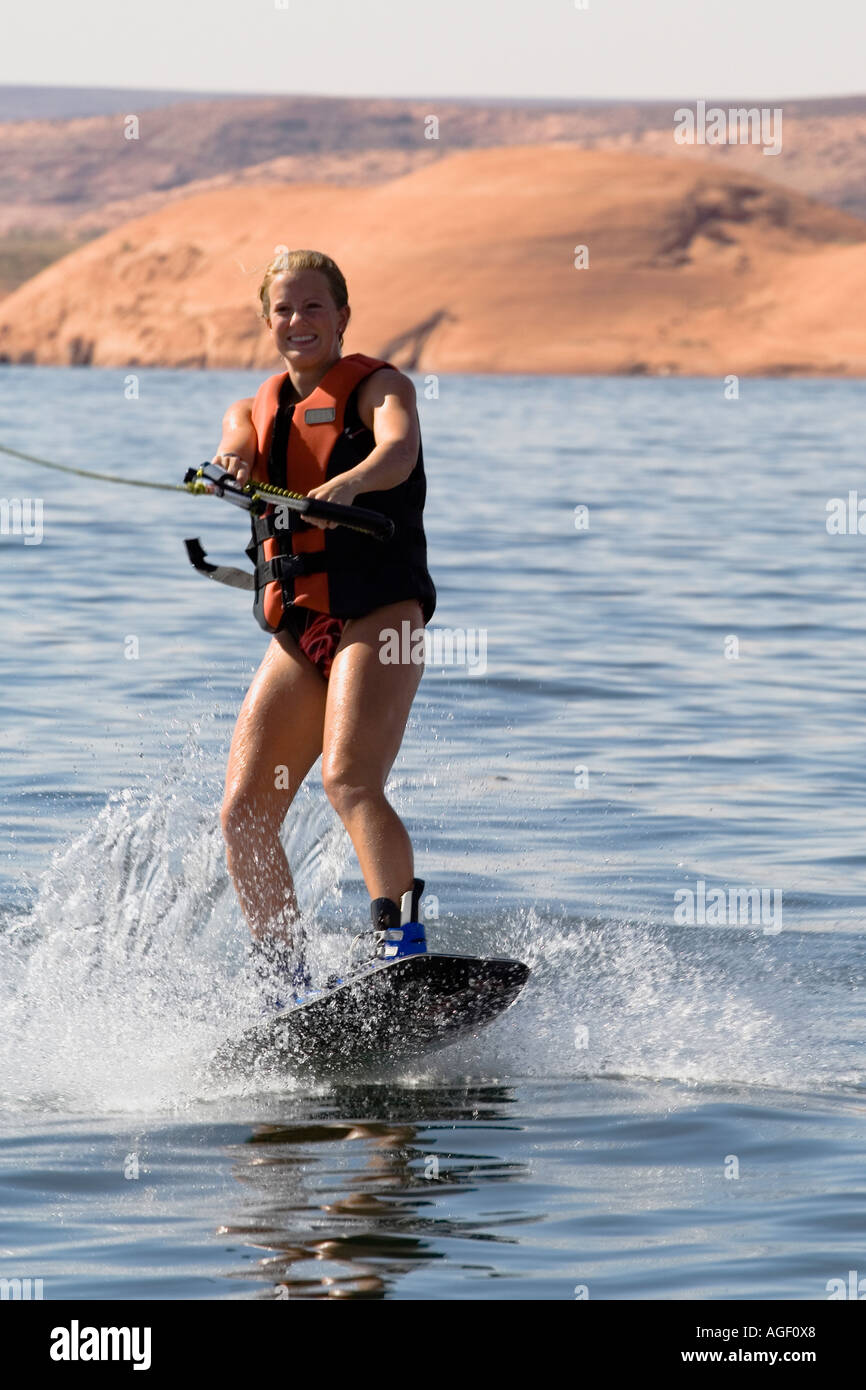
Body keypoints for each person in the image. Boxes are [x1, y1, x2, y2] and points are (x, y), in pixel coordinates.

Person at [212, 248, 436, 1006]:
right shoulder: (252, 409)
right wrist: (230, 471)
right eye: (283, 309)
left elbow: (398, 448)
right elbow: (236, 453)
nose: (298, 321)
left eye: (314, 307)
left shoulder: (381, 389)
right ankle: (285, 977)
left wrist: (347, 481)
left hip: (379, 614)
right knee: (244, 813)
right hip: (301, 628)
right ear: (266, 320)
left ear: (343, 315)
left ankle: (399, 948)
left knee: (349, 780)